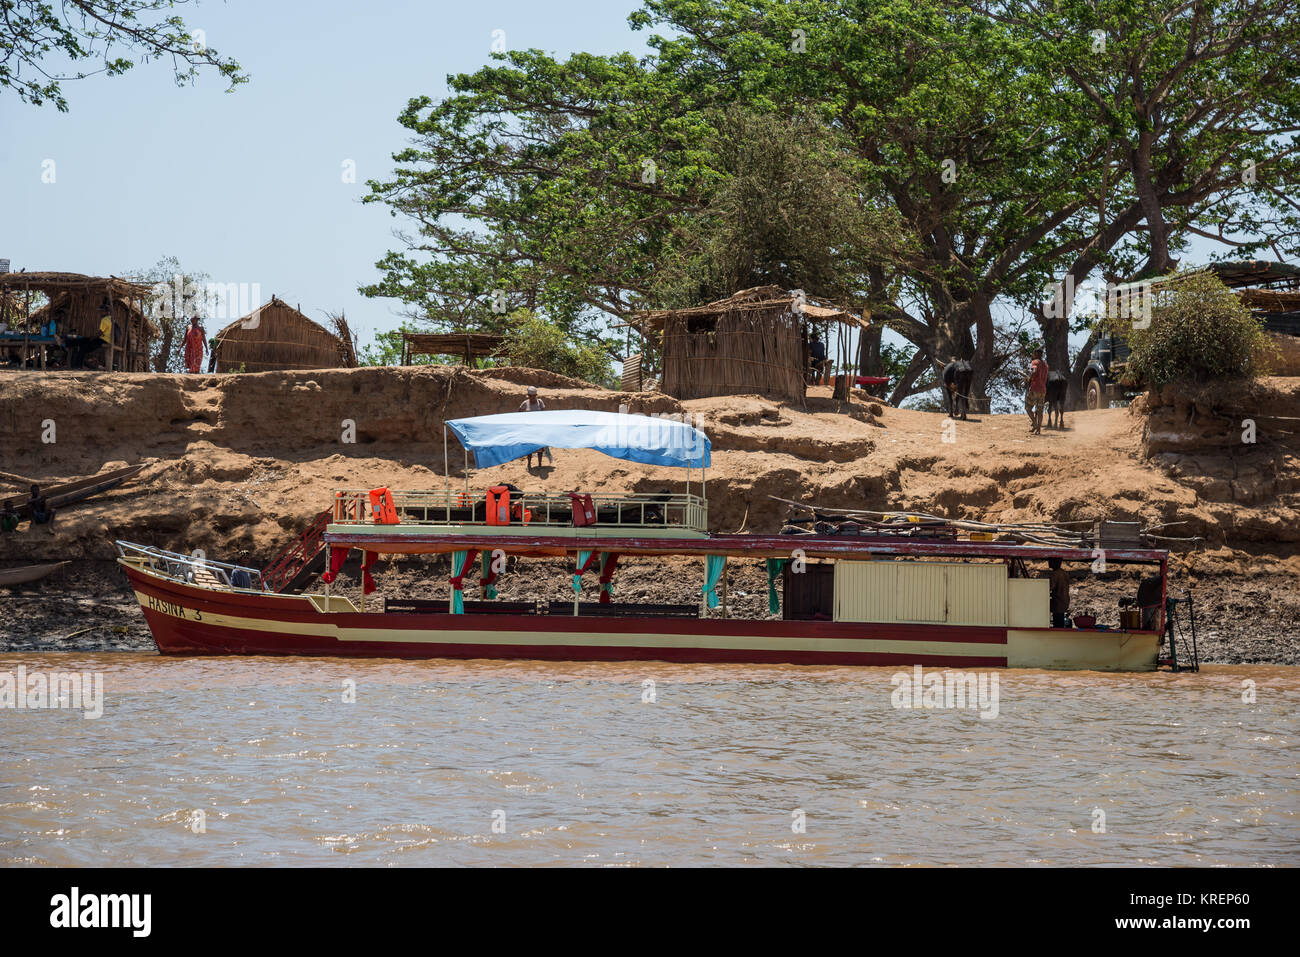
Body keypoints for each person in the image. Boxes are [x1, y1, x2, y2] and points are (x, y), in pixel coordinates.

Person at [519, 386, 552, 467]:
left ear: (536, 395)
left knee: (539, 447)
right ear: (528, 396)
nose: (532, 398)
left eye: (533, 396)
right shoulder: (525, 403)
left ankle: (540, 464)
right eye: (530, 396)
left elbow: (544, 414)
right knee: (529, 448)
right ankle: (529, 464)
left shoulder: (540, 402)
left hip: (538, 429)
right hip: (529, 429)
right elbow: (518, 413)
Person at [1026, 348, 1049, 435]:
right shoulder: (1045, 364)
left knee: (1028, 408)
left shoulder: (1035, 362)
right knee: (1040, 410)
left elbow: (1034, 371)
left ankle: (1035, 424)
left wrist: (1030, 378)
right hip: (1043, 390)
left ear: (1036, 354)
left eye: (1033, 353)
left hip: (1035, 388)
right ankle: (1038, 429)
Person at [1047, 558, 1070, 628]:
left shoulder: (1055, 574)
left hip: (1058, 601)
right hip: (1064, 600)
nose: (1049, 562)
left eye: (1050, 561)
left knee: (1057, 623)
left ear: (1055, 563)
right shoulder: (1064, 573)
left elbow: (1049, 587)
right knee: (1060, 621)